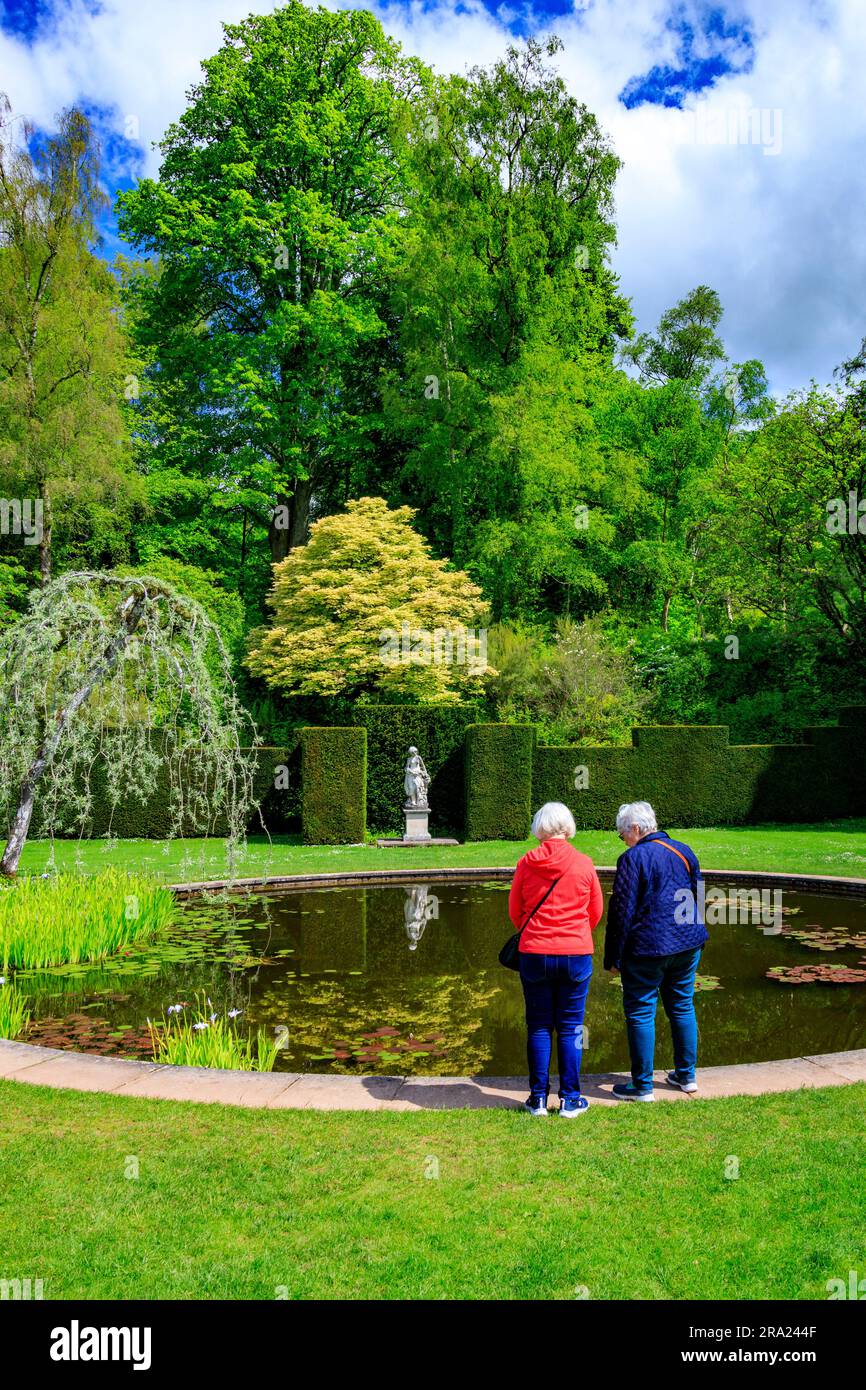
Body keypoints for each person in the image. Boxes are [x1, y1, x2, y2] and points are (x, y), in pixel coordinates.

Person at [603, 801, 708, 1102]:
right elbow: (698, 897)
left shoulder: (632, 858)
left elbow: (621, 912)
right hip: (687, 946)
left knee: (640, 1012)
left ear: (636, 829)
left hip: (647, 950)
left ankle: (642, 1086)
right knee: (682, 1006)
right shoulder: (684, 850)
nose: (622, 839)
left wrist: (613, 958)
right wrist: (696, 936)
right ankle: (687, 1077)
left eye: (622, 834)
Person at [508, 801, 604, 1117]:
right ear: (567, 826)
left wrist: (536, 931)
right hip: (575, 953)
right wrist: (574, 933)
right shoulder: (584, 863)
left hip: (534, 953)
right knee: (571, 1027)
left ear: (540, 828)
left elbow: (515, 911)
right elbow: (596, 912)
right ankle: (570, 1099)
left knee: (538, 1026)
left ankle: (537, 1099)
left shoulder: (526, 863)